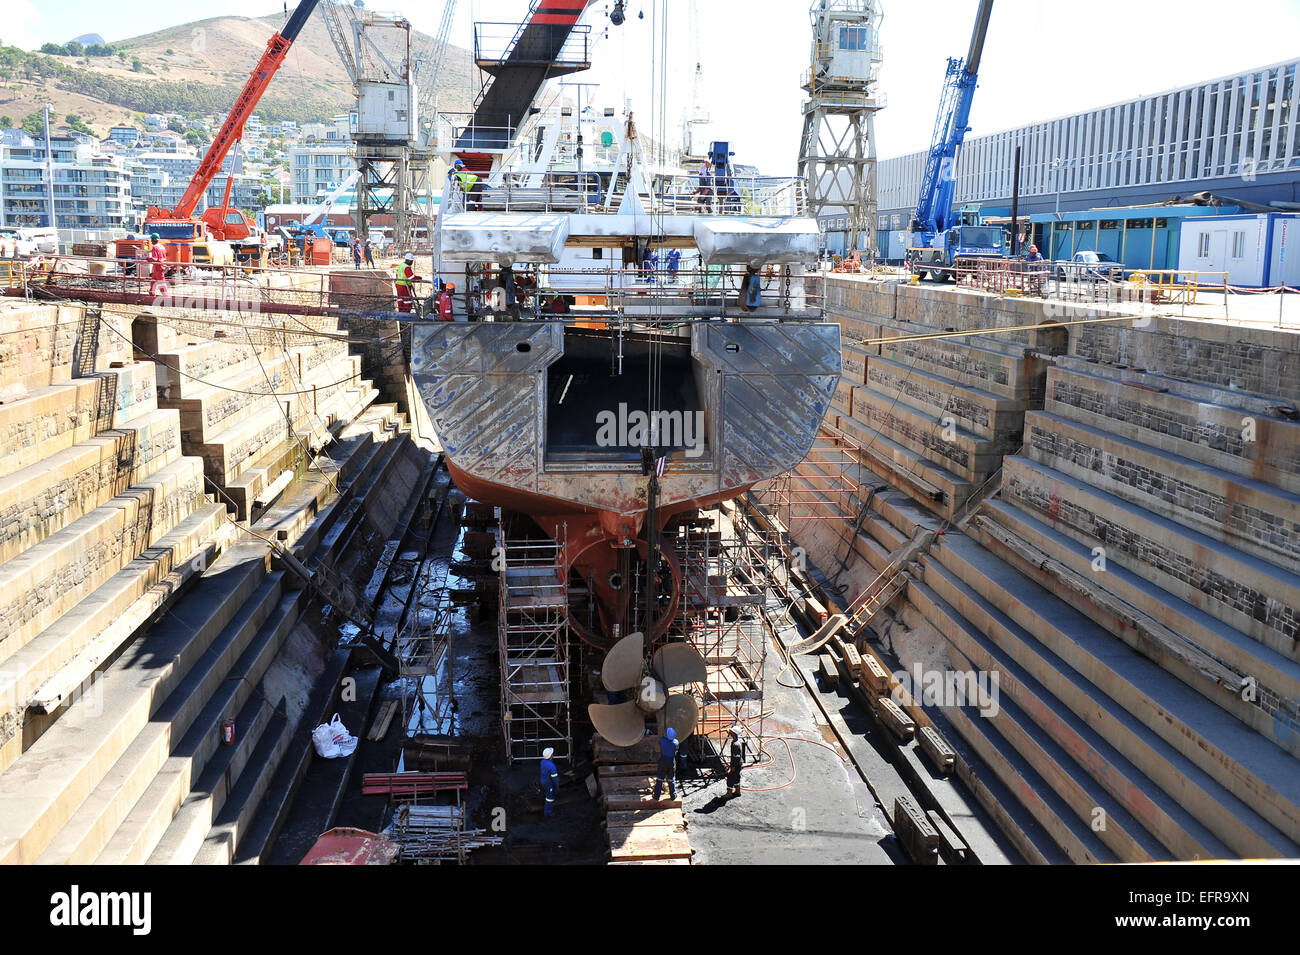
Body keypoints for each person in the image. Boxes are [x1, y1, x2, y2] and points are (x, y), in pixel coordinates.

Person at [651, 727, 678, 800]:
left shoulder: (662, 741)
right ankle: (673, 795)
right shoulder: (676, 742)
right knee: (671, 779)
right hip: (671, 762)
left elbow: (660, 738)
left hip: (663, 761)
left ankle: (657, 796)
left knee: (660, 779)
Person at [725, 723, 746, 798]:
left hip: (736, 764)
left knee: (730, 777)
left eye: (731, 732)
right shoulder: (738, 741)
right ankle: (737, 791)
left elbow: (736, 757)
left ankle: (729, 793)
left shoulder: (735, 744)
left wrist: (732, 766)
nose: (730, 733)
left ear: (734, 733)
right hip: (739, 763)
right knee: (737, 777)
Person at [146, 232, 168, 300]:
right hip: (161, 266)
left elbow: (155, 258)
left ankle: (165, 295)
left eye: (151, 239)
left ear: (153, 240)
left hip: (158, 266)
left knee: (161, 281)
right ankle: (151, 293)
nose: (151, 241)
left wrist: (148, 259)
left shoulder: (155, 247)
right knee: (153, 280)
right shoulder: (162, 246)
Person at [540, 747, 559, 816]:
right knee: (549, 798)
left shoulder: (542, 762)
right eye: (552, 754)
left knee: (546, 793)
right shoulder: (552, 766)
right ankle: (548, 813)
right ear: (550, 756)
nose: (553, 755)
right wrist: (557, 787)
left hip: (542, 781)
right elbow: (555, 779)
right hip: (548, 784)